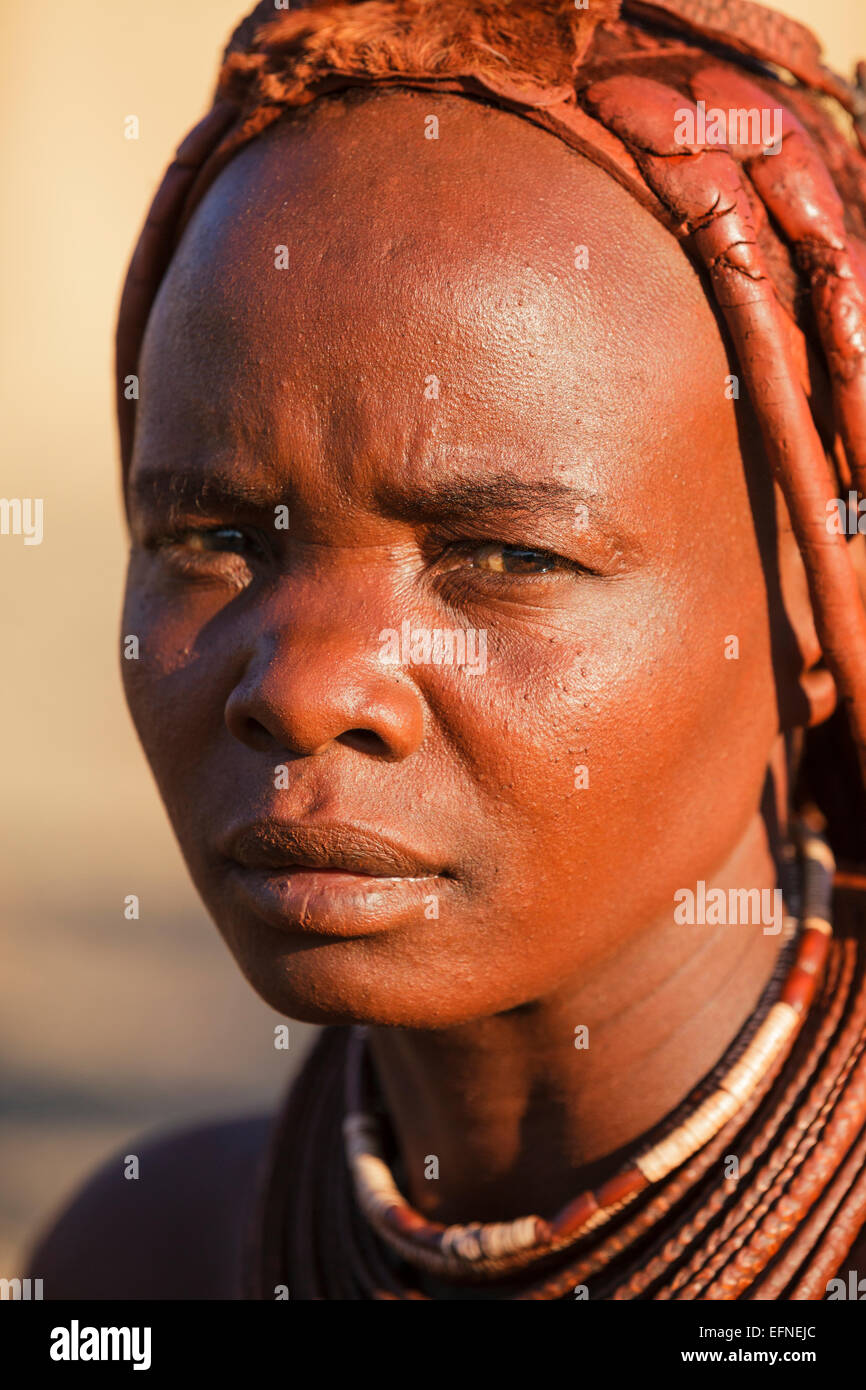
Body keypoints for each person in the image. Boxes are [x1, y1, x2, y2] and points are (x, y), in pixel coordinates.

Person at [26, 0, 866, 1298]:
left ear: (813, 608)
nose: (302, 688)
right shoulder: (141, 1265)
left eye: (503, 558)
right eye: (212, 535)